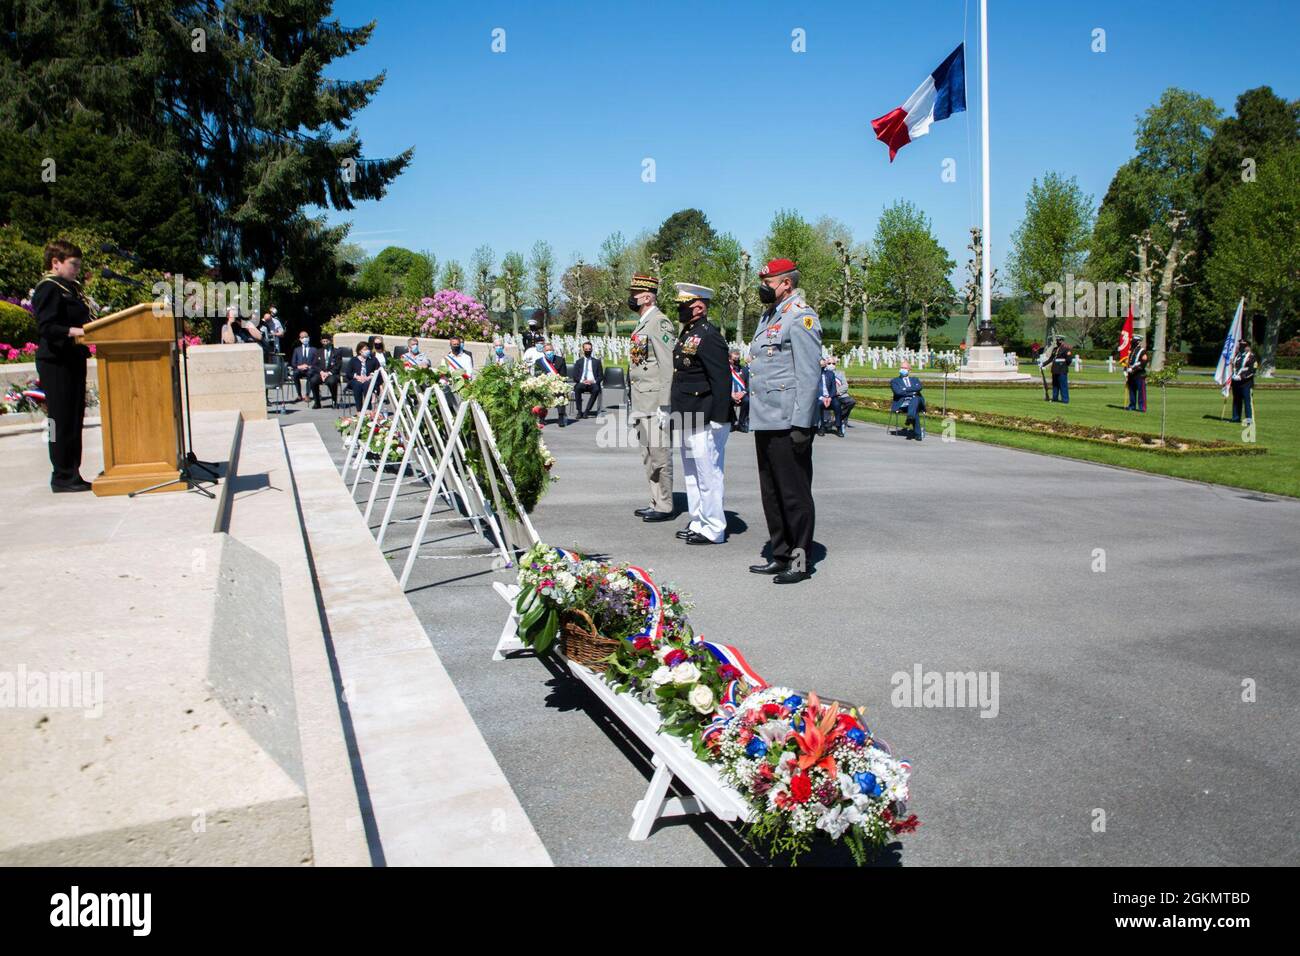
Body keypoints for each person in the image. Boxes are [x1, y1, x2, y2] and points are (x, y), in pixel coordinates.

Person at [747, 259, 822, 583]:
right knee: (772, 493)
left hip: (788, 419)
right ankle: (780, 554)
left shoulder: (801, 317)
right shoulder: (770, 316)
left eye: (769, 281)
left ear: (786, 284)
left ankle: (800, 561)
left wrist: (803, 424)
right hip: (765, 417)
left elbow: (808, 374)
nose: (764, 287)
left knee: (794, 494)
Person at [670, 283, 731, 545]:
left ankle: (714, 527)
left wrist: (720, 418)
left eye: (682, 305)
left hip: (706, 416)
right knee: (692, 473)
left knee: (708, 474)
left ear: (698, 306)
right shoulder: (689, 333)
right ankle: (699, 520)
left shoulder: (709, 336)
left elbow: (721, 379)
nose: (679, 310)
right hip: (687, 414)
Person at [32, 240, 93, 492]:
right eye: (73, 265)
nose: (77, 270)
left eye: (79, 265)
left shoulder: (71, 288)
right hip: (55, 363)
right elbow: (46, 326)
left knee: (74, 417)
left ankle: (73, 472)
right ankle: (61, 474)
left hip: (73, 359)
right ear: (55, 263)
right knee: (59, 420)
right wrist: (75, 331)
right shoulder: (49, 288)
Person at [628, 274, 676, 522]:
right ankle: (655, 500)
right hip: (640, 401)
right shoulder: (643, 323)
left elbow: (667, 365)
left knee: (659, 454)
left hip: (654, 402)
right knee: (648, 456)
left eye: (634, 294)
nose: (630, 298)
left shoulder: (659, 322)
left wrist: (665, 404)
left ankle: (665, 504)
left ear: (646, 296)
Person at [533, 342, 569, 426]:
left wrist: (558, 384)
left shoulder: (560, 360)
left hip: (558, 385)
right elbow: (538, 376)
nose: (549, 352)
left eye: (550, 350)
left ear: (553, 350)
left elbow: (563, 375)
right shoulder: (539, 362)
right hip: (545, 385)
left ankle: (561, 417)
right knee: (541, 393)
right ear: (544, 352)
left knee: (561, 392)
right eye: (547, 350)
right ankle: (541, 417)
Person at [890, 365, 927, 439]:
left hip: (918, 402)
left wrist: (905, 389)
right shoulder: (894, 381)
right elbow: (898, 392)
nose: (902, 369)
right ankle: (917, 434)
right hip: (903, 404)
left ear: (909, 370)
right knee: (914, 409)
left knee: (915, 399)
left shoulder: (915, 379)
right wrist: (912, 391)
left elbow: (919, 388)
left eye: (905, 368)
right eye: (901, 368)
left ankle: (910, 417)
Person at [570, 340, 603, 418]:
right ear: (583, 350)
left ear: (592, 350)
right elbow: (575, 376)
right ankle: (579, 411)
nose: (588, 351)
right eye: (586, 349)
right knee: (577, 388)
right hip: (582, 382)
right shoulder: (579, 362)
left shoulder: (597, 362)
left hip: (593, 382)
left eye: (589, 349)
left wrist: (593, 381)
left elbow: (601, 376)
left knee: (596, 389)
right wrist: (583, 381)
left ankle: (587, 410)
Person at [1230, 338, 1259, 424]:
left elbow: (1252, 370)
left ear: (1248, 347)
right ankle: (1236, 418)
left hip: (1246, 383)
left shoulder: (1252, 357)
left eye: (1244, 346)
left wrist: (1242, 377)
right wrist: (1234, 375)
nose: (1242, 347)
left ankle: (1249, 420)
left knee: (1247, 401)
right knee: (1236, 400)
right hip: (1236, 382)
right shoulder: (1237, 356)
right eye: (1241, 346)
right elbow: (1235, 367)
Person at [310, 334, 342, 407]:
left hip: (332, 373)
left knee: (332, 381)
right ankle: (317, 402)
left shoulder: (337, 352)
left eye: (326, 341)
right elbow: (314, 365)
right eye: (323, 341)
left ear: (330, 341)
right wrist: (321, 372)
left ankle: (334, 400)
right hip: (321, 373)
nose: (325, 343)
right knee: (313, 381)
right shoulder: (318, 351)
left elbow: (338, 365)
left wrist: (329, 373)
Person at [348, 341, 380, 410]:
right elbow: (348, 373)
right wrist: (357, 377)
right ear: (360, 351)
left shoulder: (373, 359)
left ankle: (368, 409)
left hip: (369, 380)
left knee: (367, 385)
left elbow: (378, 370)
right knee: (357, 385)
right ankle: (359, 409)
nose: (367, 351)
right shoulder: (353, 360)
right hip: (356, 380)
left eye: (368, 349)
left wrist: (369, 377)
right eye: (365, 349)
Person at [818, 357, 845, 437]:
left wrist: (830, 398)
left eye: (824, 363)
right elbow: (814, 389)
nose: (823, 364)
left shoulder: (830, 374)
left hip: (830, 397)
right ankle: (822, 427)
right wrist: (822, 398)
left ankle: (838, 427)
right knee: (818, 405)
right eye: (821, 363)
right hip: (820, 397)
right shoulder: (815, 374)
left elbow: (833, 388)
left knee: (837, 405)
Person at [290, 331, 316, 401]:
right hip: (300, 369)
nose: (305, 339)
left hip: (309, 369)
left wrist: (309, 366)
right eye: (302, 337)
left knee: (310, 374)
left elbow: (316, 362)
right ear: (300, 339)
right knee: (295, 374)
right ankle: (299, 395)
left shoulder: (314, 349)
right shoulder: (296, 350)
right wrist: (300, 367)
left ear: (309, 338)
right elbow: (293, 363)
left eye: (306, 337)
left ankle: (307, 395)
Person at [1125, 336, 1149, 412]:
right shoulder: (1131, 351)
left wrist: (1133, 369)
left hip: (1139, 375)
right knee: (1131, 391)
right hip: (1131, 375)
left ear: (1138, 342)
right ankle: (1132, 406)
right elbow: (1128, 362)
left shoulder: (1142, 351)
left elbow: (1143, 363)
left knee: (1141, 392)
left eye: (1134, 341)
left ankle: (1142, 407)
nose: (1132, 342)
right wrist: (1125, 370)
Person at [729, 348, 749, 433]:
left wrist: (743, 392)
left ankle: (742, 423)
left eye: (738, 359)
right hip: (729, 394)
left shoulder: (744, 369)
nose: (736, 362)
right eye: (734, 360)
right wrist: (731, 394)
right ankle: (732, 421)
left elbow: (750, 384)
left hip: (742, 394)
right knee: (725, 400)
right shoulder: (725, 370)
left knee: (747, 401)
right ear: (729, 359)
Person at [1048, 335, 1073, 403]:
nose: (1057, 342)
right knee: (1055, 385)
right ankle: (1055, 398)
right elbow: (1051, 359)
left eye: (1058, 340)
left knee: (1063, 385)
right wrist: (1043, 364)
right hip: (1055, 369)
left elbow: (1069, 360)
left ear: (1062, 341)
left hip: (1062, 369)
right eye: (1057, 340)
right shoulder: (1055, 349)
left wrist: (1064, 365)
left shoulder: (1066, 349)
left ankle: (1065, 399)